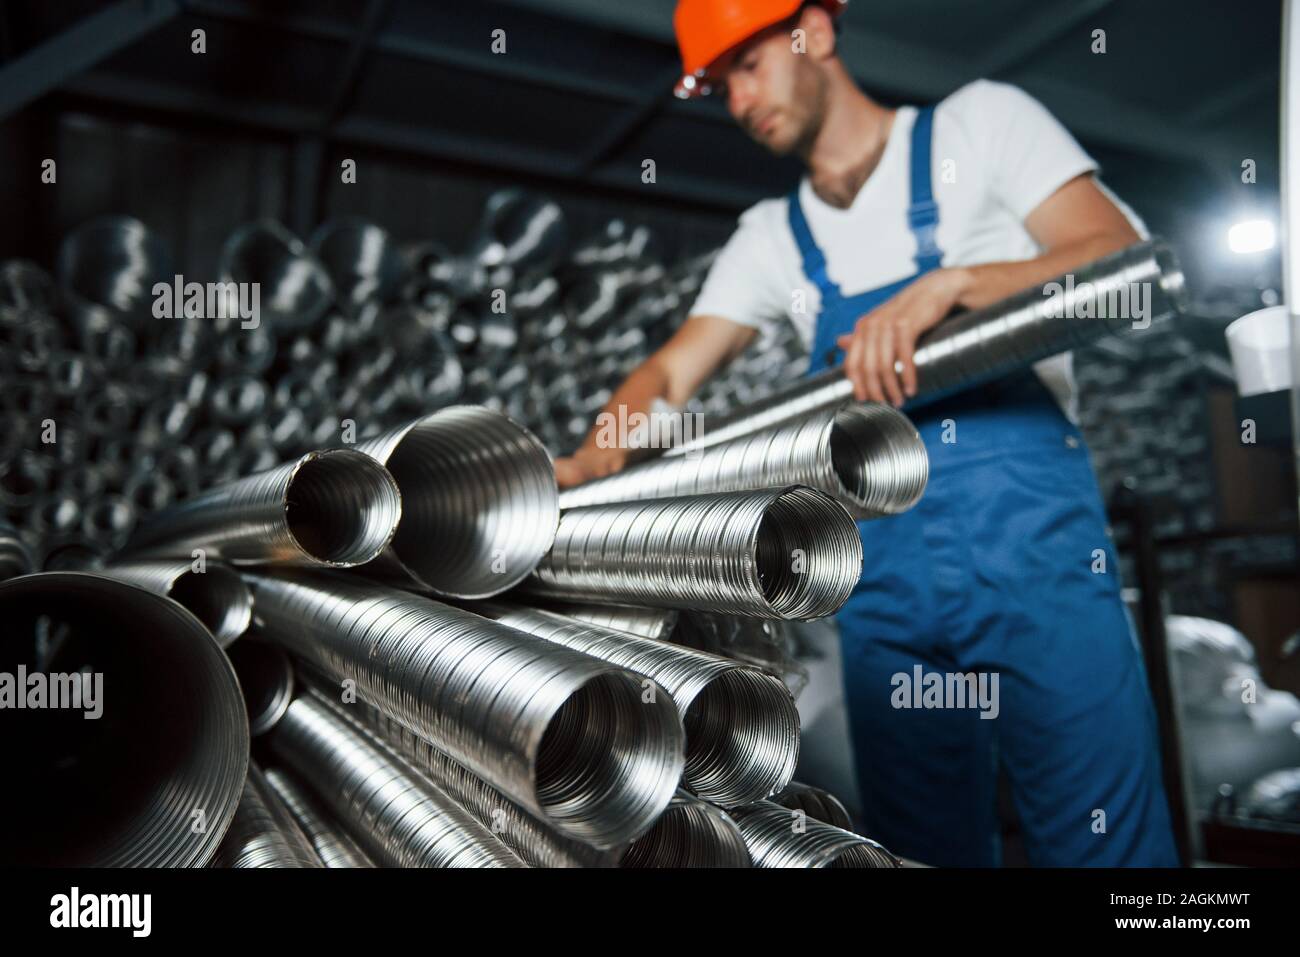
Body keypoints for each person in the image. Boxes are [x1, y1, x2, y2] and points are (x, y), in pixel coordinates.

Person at [555, 0, 1179, 866]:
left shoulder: (984, 124)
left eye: (748, 63)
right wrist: (599, 449)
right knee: (919, 846)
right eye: (720, 83)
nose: (737, 100)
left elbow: (1123, 263)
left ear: (814, 29)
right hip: (886, 582)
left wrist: (957, 286)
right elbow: (668, 375)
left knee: (1102, 836)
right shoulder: (775, 237)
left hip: (1035, 557)